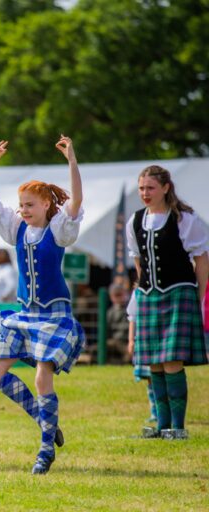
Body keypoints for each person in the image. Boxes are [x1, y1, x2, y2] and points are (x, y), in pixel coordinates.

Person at [0, 136, 85, 475]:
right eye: (21, 204)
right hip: (25, 314)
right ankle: (45, 422)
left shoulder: (59, 229)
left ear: (46, 205)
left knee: (42, 378)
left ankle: (44, 450)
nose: (23, 210)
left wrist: (72, 161)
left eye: (30, 205)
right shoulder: (16, 230)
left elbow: (76, 200)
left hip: (53, 315)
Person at [125, 165, 209, 440]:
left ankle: (178, 427)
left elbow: (202, 259)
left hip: (179, 292)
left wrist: (197, 295)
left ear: (165, 188)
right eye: (141, 189)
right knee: (154, 364)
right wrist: (143, 290)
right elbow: (139, 262)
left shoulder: (184, 218)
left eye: (150, 188)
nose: (145, 193)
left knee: (172, 362)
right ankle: (162, 426)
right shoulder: (136, 221)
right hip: (149, 294)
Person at [126, 286, 158, 430]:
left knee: (163, 376)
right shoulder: (138, 293)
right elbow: (132, 318)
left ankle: (165, 412)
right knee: (151, 379)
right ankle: (154, 412)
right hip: (144, 338)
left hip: (158, 337)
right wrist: (131, 340)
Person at [105, 283, 131, 364]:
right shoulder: (110, 312)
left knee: (128, 356)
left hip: (127, 341)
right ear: (111, 297)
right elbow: (106, 330)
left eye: (120, 294)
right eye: (116, 295)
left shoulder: (130, 309)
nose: (119, 298)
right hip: (114, 341)